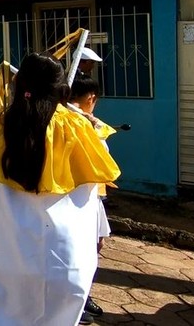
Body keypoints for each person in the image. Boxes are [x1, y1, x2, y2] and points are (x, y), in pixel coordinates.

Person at [0, 53, 120, 325]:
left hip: (2, 261)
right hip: (64, 263)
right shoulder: (80, 130)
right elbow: (90, 195)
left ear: (19, 85)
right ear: (63, 90)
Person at [68, 74, 116, 323]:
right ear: (91, 98)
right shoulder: (74, 121)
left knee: (94, 245)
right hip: (78, 195)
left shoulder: (80, 119)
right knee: (83, 248)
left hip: (90, 193)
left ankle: (83, 295)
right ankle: (76, 299)